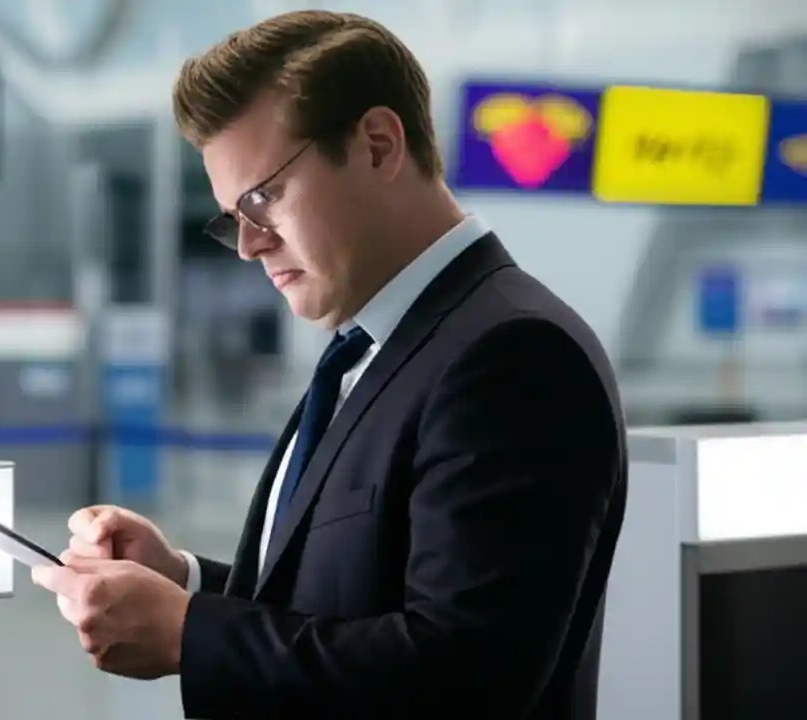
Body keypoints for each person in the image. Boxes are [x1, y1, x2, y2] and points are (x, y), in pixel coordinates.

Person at [32, 10, 626, 719]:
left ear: (377, 145)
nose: (249, 245)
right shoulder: (380, 349)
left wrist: (188, 635)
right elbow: (351, 606)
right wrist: (185, 584)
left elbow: (464, 674)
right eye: (232, 217)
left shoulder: (514, 356)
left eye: (263, 198)